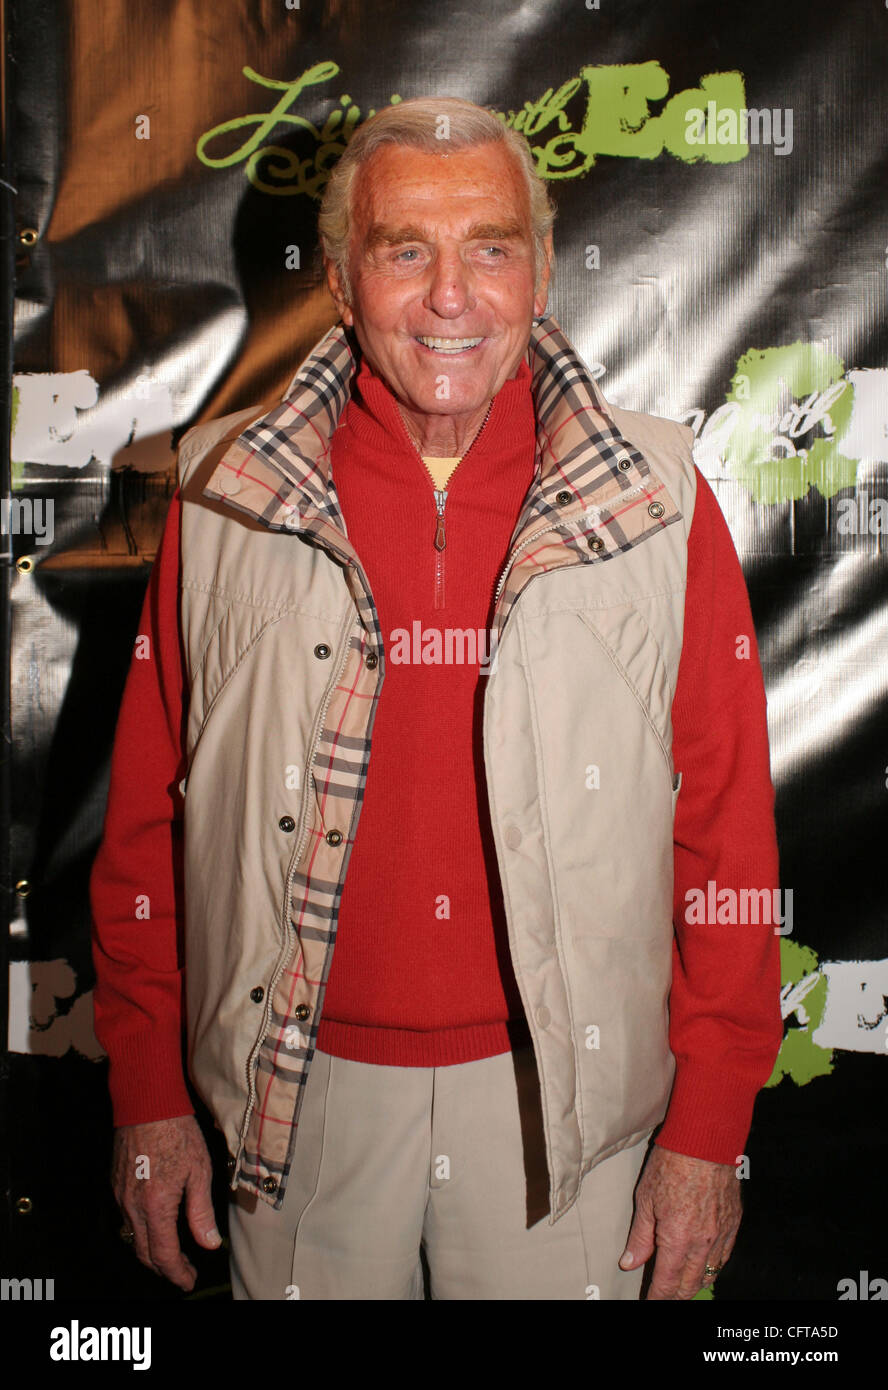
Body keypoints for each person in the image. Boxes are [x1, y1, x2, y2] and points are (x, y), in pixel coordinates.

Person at [89, 96, 783, 1301]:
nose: (451, 295)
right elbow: (151, 824)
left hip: (564, 1121)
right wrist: (149, 1096)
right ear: (345, 282)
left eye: (491, 247)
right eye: (406, 249)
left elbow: (726, 833)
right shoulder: (225, 493)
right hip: (291, 1110)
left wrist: (709, 1127)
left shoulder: (660, 499)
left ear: (544, 270)